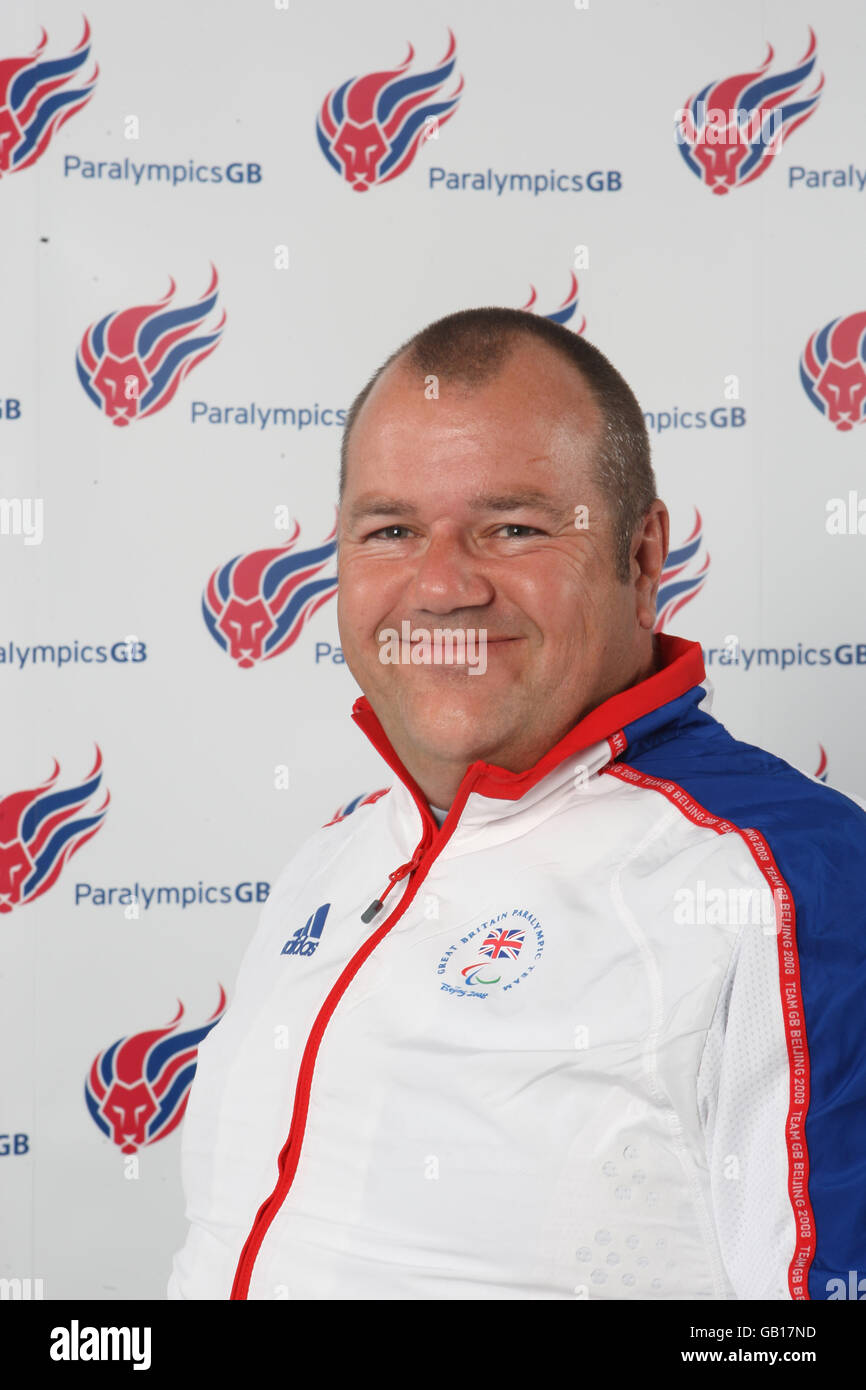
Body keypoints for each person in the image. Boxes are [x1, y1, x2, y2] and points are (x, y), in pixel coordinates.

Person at [168, 308, 866, 1301]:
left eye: (512, 528)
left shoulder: (793, 888)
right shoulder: (340, 853)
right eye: (391, 529)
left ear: (637, 558)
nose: (442, 585)